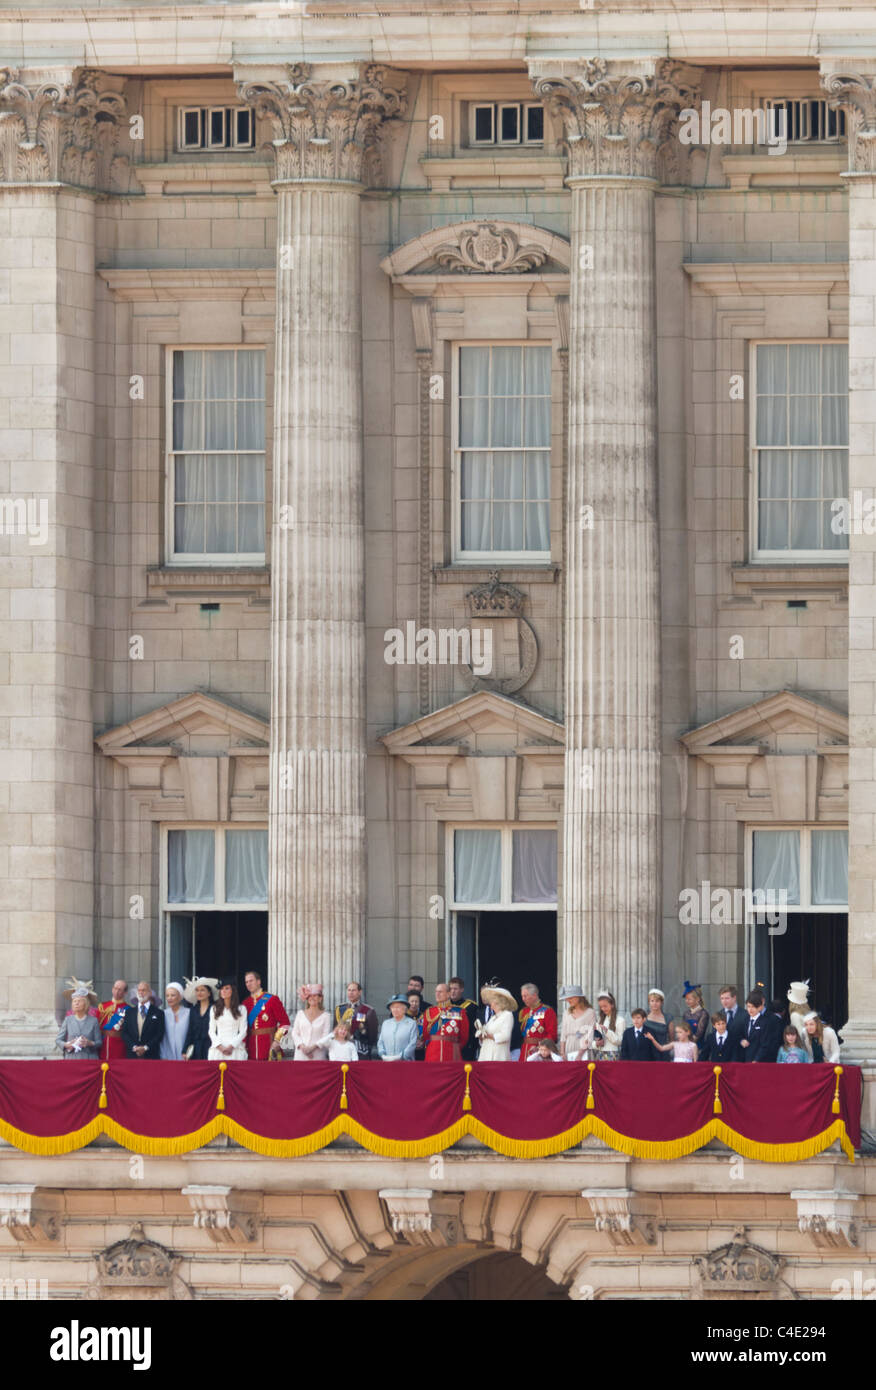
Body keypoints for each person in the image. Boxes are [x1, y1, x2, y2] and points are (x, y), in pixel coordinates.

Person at [244, 970, 290, 1061]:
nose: (248, 984)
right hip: (251, 1048)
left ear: (258, 981)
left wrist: (277, 1040)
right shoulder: (245, 1003)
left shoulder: (272, 999)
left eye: (251, 981)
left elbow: (285, 1023)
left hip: (269, 1045)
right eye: (246, 982)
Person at [423, 982, 469, 1062]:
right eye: (436, 992)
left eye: (440, 992)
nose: (437, 994)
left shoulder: (459, 1011)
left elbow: (464, 1037)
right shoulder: (429, 1012)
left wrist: (455, 1048)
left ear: (448, 994)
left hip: (452, 1053)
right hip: (433, 1053)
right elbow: (426, 1036)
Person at [286, 984, 332, 1060]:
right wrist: (303, 1047)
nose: (312, 998)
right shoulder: (300, 1014)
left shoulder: (326, 1016)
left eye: (315, 995)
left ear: (320, 998)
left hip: (317, 1055)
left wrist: (312, 1048)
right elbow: (295, 1033)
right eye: (310, 996)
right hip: (300, 1055)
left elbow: (325, 1036)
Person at [121, 981, 165, 1059]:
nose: (141, 992)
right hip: (132, 1056)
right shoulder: (129, 1012)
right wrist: (134, 1047)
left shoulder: (158, 1013)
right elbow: (124, 1033)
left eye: (143, 990)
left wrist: (145, 1048)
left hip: (151, 1055)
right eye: (139, 990)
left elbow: (159, 1034)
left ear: (150, 993)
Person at [335, 981, 378, 1061]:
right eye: (349, 990)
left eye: (353, 990)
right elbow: (335, 1030)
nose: (351, 993)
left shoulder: (368, 1010)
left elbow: (372, 1035)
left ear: (360, 992)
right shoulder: (340, 1009)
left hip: (361, 1052)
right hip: (342, 1051)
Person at [739, 988, 783, 1063]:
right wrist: (741, 1040)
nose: (750, 1009)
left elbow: (767, 1044)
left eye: (753, 1007)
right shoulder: (745, 1019)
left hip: (763, 1061)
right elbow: (740, 1034)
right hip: (747, 1060)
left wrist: (756, 1059)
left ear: (759, 1006)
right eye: (748, 1006)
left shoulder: (769, 1020)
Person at [56, 986, 101, 1058]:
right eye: (74, 1001)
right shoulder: (68, 1020)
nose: (76, 1003)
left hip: (89, 1058)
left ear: (85, 1003)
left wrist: (89, 1043)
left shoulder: (93, 1021)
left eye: (79, 1001)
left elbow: (99, 1042)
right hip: (72, 1058)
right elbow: (58, 1040)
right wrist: (67, 1045)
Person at [208, 979, 248, 1061]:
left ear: (233, 990)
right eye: (222, 989)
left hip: (235, 1049)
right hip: (218, 1050)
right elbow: (211, 1031)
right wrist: (220, 1047)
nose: (223, 991)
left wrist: (231, 1046)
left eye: (227, 988)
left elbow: (243, 1031)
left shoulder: (241, 1009)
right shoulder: (214, 1009)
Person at [519, 983, 558, 1062]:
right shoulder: (524, 1012)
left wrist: (541, 1048)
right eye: (522, 996)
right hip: (524, 1050)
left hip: (540, 1052)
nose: (523, 999)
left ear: (534, 995)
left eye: (525, 996)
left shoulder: (547, 1011)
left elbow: (552, 1034)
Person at [476, 984, 516, 1061]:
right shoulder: (493, 1017)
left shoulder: (507, 1015)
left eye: (492, 1001)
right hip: (486, 1054)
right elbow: (486, 1035)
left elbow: (505, 1036)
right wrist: (481, 1036)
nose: (490, 1002)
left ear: (498, 1002)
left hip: (499, 1056)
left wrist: (489, 1036)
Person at [183, 976, 218, 1060]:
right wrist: (185, 1050)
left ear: (209, 993)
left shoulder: (215, 1009)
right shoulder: (193, 1010)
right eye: (197, 990)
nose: (199, 993)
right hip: (196, 1049)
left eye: (202, 990)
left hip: (211, 1047)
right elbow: (190, 1031)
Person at [557, 986, 595, 1060]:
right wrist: (562, 1053)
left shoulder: (590, 1012)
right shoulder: (566, 1013)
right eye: (567, 998)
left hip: (583, 1047)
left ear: (578, 997)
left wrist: (580, 1054)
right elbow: (563, 1035)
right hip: (569, 1046)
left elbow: (590, 1035)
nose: (568, 1000)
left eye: (570, 998)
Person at [97, 979, 130, 1062]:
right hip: (103, 1043)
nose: (116, 991)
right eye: (115, 988)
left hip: (119, 1045)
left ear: (125, 992)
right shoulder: (102, 1006)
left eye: (119, 990)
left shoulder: (128, 1009)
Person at [377, 995, 419, 1060]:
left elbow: (412, 1044)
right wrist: (382, 1054)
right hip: (387, 1062)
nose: (395, 1009)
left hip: (405, 1063)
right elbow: (380, 1042)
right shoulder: (386, 1023)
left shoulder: (411, 1023)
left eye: (398, 1007)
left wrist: (400, 1056)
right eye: (393, 1007)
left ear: (405, 1009)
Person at [448, 977, 479, 1061]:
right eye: (450, 989)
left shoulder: (471, 1007)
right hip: (448, 1047)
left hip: (466, 1048)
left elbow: (475, 1029)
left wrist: (472, 1047)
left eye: (455, 989)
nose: (452, 991)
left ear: (461, 989)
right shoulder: (444, 1006)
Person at [159, 982, 191, 1060]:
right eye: (167, 995)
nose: (169, 998)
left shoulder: (189, 1013)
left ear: (180, 997)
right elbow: (162, 1038)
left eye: (173, 995)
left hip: (186, 1058)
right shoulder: (163, 1014)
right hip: (167, 1058)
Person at [642, 989, 673, 1062]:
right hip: (648, 1052)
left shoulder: (668, 1017)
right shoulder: (644, 1017)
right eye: (652, 1001)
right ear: (649, 1002)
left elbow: (671, 1039)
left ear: (662, 1002)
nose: (654, 1003)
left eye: (657, 1001)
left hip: (663, 1053)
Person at [593, 990, 624, 1060]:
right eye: (601, 1007)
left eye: (605, 1006)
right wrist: (596, 1043)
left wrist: (607, 1031)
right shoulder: (599, 1020)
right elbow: (593, 1039)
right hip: (599, 1054)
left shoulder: (620, 1020)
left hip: (613, 1054)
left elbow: (620, 1041)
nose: (603, 1009)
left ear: (612, 1005)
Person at [682, 982, 710, 1059]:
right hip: (685, 1047)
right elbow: (682, 1030)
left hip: (698, 1048)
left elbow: (699, 1034)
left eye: (689, 999)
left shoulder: (703, 1013)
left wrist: (689, 1045)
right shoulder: (686, 1013)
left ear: (697, 999)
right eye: (686, 999)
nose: (687, 1001)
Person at [718, 985, 747, 1057]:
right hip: (723, 1055)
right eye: (722, 998)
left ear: (734, 998)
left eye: (727, 998)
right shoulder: (718, 1015)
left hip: (739, 1055)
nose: (724, 1001)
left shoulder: (745, 1014)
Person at [406, 991, 426, 1060]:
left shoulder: (425, 1016)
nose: (414, 1004)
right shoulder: (402, 1017)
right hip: (406, 1052)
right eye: (411, 1001)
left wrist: (423, 1043)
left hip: (421, 1052)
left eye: (416, 1001)